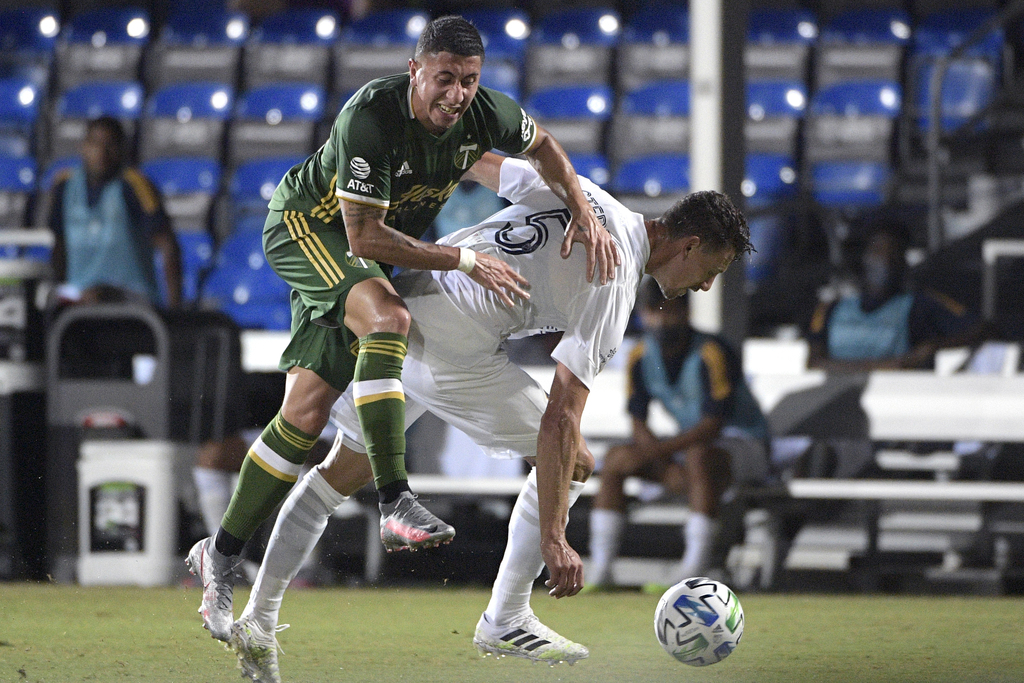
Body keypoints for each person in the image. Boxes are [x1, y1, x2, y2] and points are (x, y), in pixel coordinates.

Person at [224, 152, 751, 682]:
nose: (706, 286)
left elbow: (472, 160)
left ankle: (258, 619)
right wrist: (554, 536)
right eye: (713, 271)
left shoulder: (585, 193)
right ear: (690, 246)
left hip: (399, 309)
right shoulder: (613, 283)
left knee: (341, 471)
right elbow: (561, 419)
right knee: (576, 462)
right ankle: (507, 616)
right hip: (453, 351)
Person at [187, 15, 618, 644]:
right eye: (444, 78)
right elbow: (362, 236)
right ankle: (395, 501)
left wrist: (583, 210)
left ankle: (219, 554)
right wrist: (465, 260)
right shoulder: (371, 117)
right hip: (310, 228)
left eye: (468, 80)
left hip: (365, 257)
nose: (457, 94)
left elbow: (545, 145)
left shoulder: (486, 113)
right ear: (415, 71)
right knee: (390, 317)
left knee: (304, 414)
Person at [47, 116, 253, 549]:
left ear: (122, 149)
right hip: (82, 322)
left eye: (110, 144)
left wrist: (171, 313)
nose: (101, 152)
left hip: (134, 314)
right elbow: (60, 247)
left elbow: (167, 245)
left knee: (151, 412)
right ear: (82, 146)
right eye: (93, 143)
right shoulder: (63, 187)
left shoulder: (135, 186)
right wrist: (62, 289)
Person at [587, 280, 771, 592]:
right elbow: (637, 417)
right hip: (686, 446)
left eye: (669, 312)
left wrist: (661, 454)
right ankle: (601, 569)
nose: (660, 321)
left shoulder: (712, 351)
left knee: (698, 457)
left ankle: (693, 568)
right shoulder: (640, 354)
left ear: (685, 313)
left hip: (743, 442)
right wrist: (657, 455)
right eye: (653, 313)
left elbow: (714, 424)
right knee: (617, 458)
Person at [807, 222, 978, 372]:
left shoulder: (919, 305)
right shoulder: (831, 308)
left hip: (898, 395)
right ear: (864, 258)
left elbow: (979, 329)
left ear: (903, 262)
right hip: (836, 394)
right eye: (878, 250)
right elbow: (814, 363)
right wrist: (891, 365)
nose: (885, 260)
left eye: (893, 253)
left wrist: (933, 347)